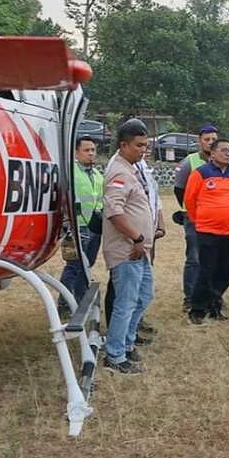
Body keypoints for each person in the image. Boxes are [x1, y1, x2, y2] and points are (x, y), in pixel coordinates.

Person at [100, 119, 161, 375]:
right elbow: (114, 211)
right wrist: (136, 238)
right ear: (123, 145)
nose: (143, 151)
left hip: (139, 249)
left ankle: (125, 343)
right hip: (128, 249)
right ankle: (115, 355)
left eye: (146, 146)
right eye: (138, 146)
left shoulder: (132, 167)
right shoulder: (119, 171)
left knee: (143, 296)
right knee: (125, 302)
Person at [185, 138, 229, 323]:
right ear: (213, 153)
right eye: (224, 150)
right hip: (207, 230)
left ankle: (214, 304)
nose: (228, 153)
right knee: (206, 270)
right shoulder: (201, 173)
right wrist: (198, 220)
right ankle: (197, 309)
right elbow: (190, 199)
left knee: (225, 271)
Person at [174, 125, 219, 312]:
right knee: (194, 258)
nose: (210, 142)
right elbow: (179, 189)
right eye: (206, 139)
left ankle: (210, 297)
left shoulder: (222, 162)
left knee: (215, 258)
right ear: (199, 141)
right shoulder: (189, 162)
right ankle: (190, 298)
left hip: (217, 220)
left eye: (213, 139)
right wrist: (190, 210)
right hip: (194, 219)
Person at [59, 136, 103, 304]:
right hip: (76, 227)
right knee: (74, 266)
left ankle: (79, 299)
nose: (91, 153)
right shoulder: (70, 173)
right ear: (76, 153)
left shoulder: (98, 175)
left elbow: (100, 200)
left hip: (94, 227)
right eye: (86, 150)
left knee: (87, 264)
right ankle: (64, 303)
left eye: (93, 150)